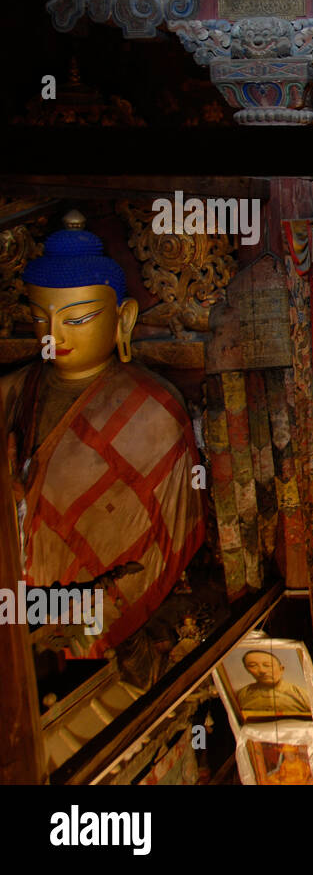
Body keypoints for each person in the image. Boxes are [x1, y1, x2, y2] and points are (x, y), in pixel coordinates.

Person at [1, 215, 204, 659]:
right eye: (39, 318)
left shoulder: (154, 409)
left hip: (104, 619)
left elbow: (161, 534)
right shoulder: (10, 392)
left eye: (77, 319)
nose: (52, 336)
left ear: (123, 318)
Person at [235, 650, 313, 718]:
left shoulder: (301, 695)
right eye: (253, 666)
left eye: (267, 665)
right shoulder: (242, 695)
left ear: (281, 669)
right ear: (247, 670)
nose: (262, 670)